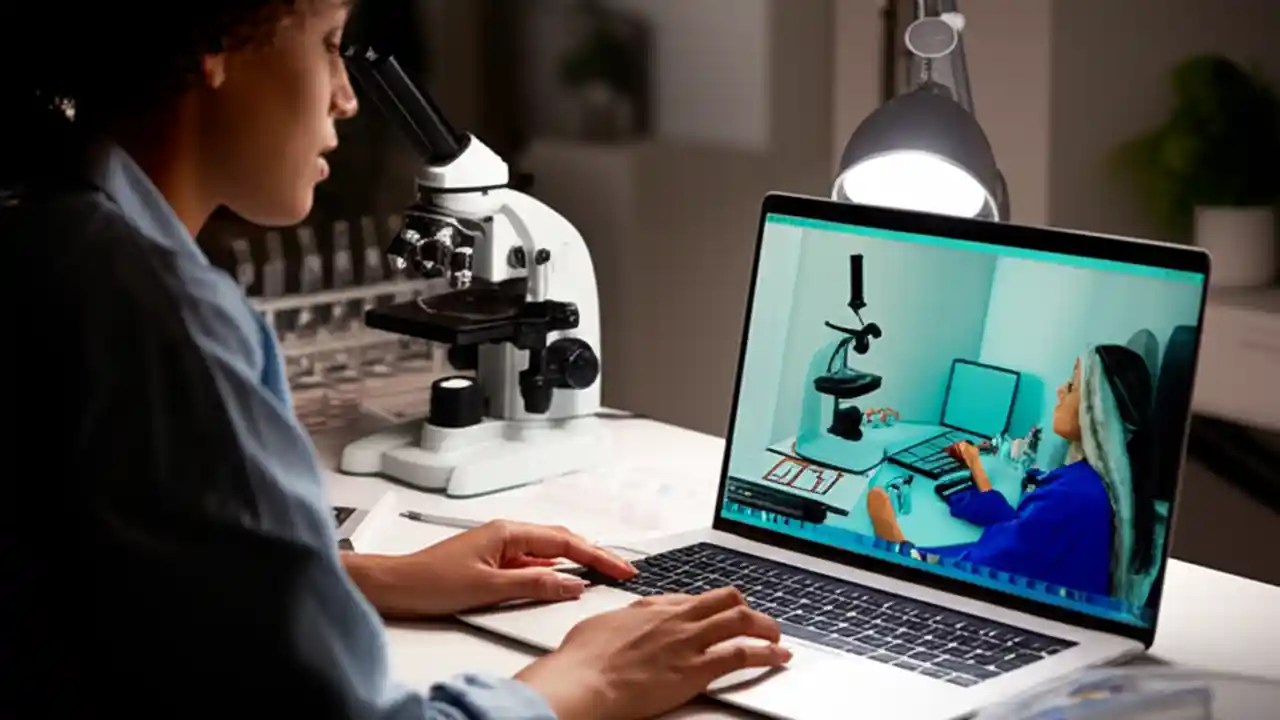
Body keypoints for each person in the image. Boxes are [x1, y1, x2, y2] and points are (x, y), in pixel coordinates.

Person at [1, 3, 790, 718]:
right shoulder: (166, 321)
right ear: (216, 40)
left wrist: (357, 576)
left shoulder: (47, 233)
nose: (345, 96)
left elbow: (105, 580)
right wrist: (578, 683)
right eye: (330, 45)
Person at [866, 345, 1158, 602]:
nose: (1060, 390)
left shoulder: (1072, 496)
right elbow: (1031, 532)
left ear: (1097, 410)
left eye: (1071, 387)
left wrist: (900, 547)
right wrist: (976, 467)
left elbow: (981, 567)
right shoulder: (1097, 486)